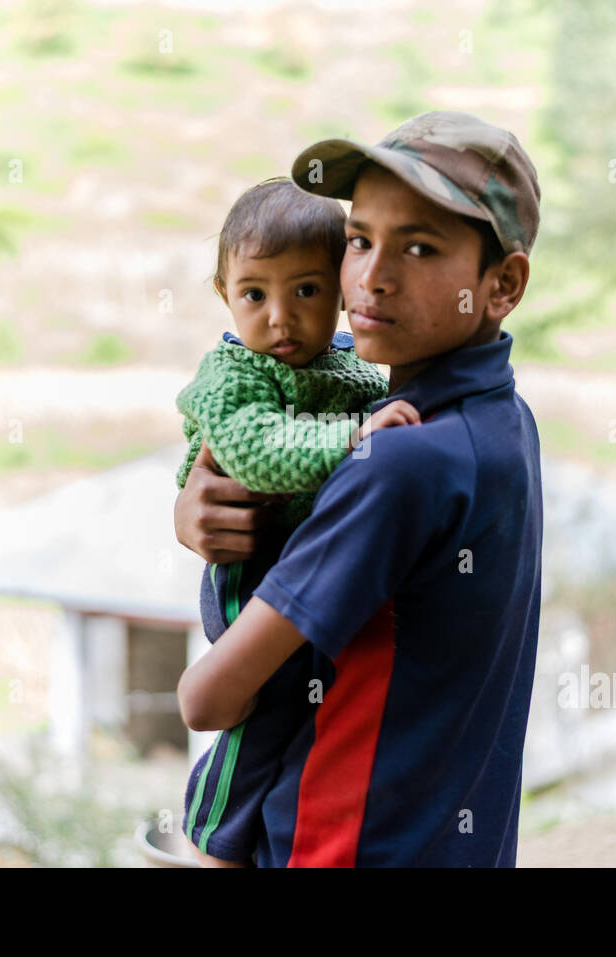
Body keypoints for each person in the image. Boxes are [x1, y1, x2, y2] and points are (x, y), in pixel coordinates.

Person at [176, 110, 545, 867]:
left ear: (502, 283)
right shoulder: (501, 423)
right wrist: (199, 500)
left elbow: (204, 700)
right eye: (359, 239)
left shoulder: (398, 461)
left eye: (418, 247)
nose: (372, 276)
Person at [175, 176, 418, 867]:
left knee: (303, 716)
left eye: (305, 291)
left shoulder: (350, 370)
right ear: (224, 294)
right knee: (262, 711)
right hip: (247, 575)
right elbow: (257, 454)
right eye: (256, 294)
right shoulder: (235, 375)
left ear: (341, 290)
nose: (280, 317)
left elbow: (392, 401)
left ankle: (252, 840)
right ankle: (209, 837)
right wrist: (353, 437)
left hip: (303, 575)